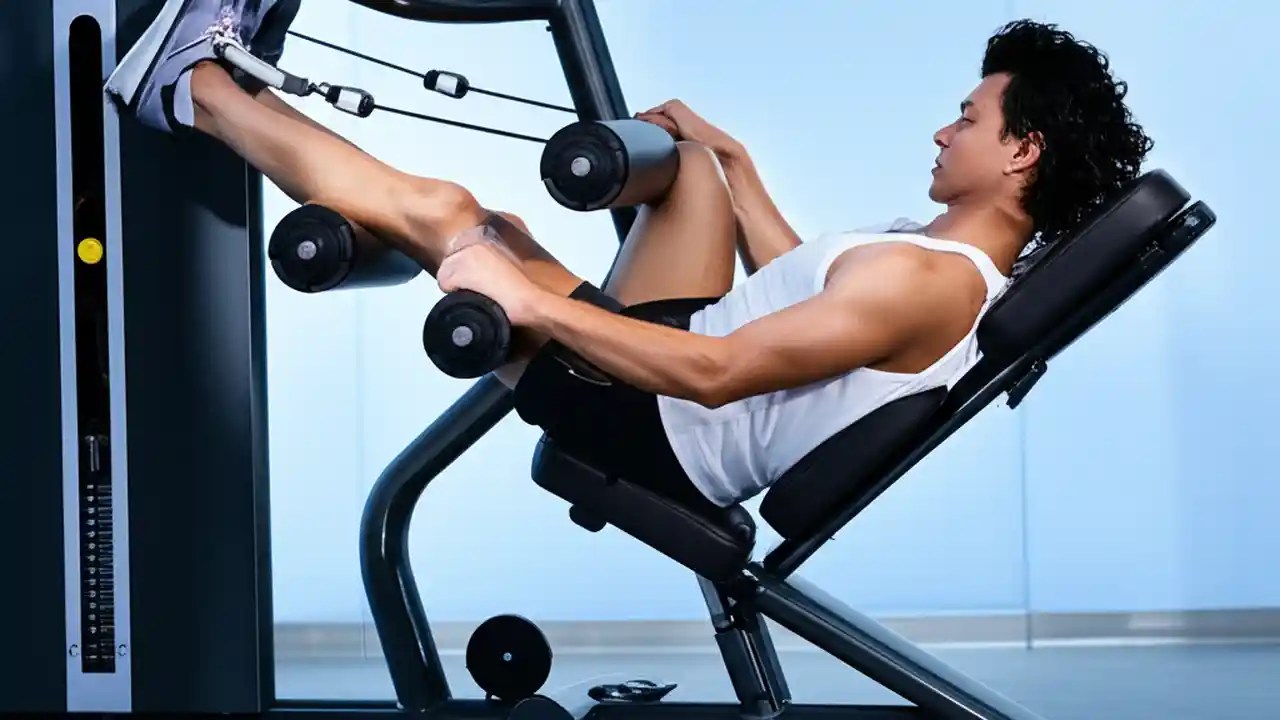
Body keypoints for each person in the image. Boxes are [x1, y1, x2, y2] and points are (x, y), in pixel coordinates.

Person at [105, 1, 1153, 513]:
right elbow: (799, 294)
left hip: (655, 419)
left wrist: (529, 302)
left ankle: (187, 87)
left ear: (1021, 150)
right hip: (681, 365)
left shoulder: (925, 281)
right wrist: (730, 161)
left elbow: (721, 371)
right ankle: (236, 101)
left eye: (965, 119)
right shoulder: (933, 264)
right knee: (684, 168)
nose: (941, 132)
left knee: (448, 212)